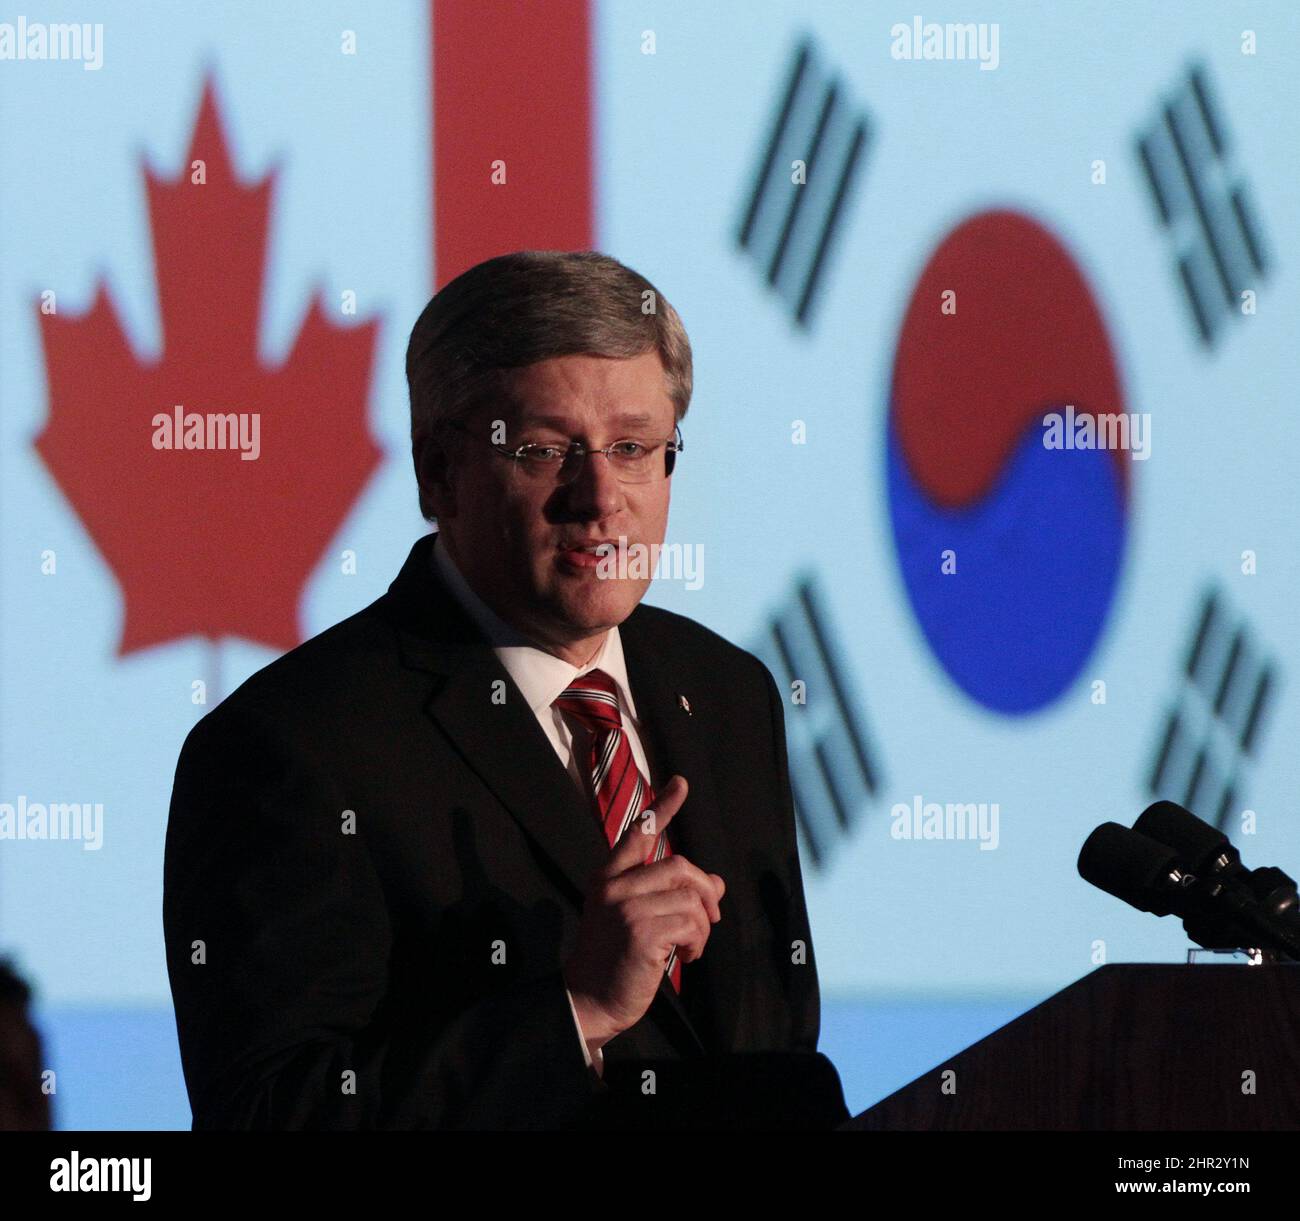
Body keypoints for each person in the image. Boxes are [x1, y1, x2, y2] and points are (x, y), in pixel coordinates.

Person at [163, 249, 843, 1130]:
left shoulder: (727, 694)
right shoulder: (289, 746)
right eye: (546, 450)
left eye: (634, 447)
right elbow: (268, 1114)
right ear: (438, 474)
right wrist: (575, 1011)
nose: (601, 497)